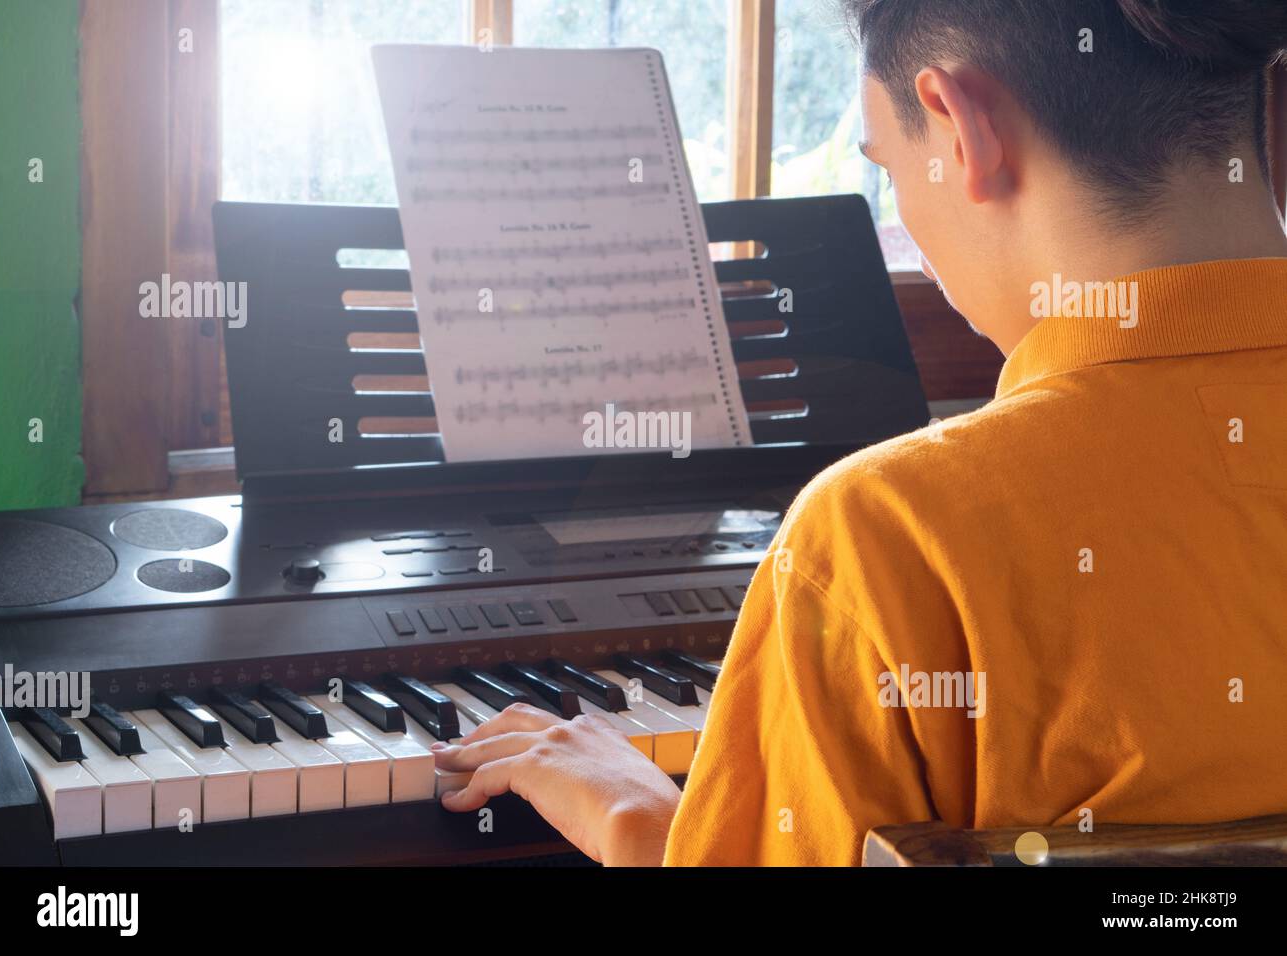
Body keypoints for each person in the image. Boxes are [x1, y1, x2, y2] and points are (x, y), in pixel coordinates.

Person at [431, 0, 1287, 865]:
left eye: (888, 167)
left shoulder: (892, 531)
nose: (913, 231)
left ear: (960, 126)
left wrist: (642, 823)